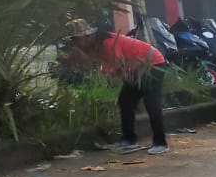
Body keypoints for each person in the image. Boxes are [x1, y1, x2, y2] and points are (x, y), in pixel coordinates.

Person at [65, 17, 170, 155]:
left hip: (151, 63)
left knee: (151, 102)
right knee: (125, 101)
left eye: (77, 39)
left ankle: (160, 142)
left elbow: (117, 64)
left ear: (88, 36)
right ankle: (129, 139)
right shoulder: (91, 45)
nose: (75, 43)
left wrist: (107, 71)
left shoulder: (107, 42)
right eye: (73, 39)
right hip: (135, 68)